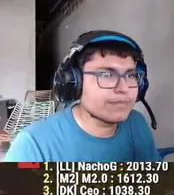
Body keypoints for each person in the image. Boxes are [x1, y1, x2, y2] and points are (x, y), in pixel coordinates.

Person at [3, 31, 160, 163]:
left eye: (131, 75)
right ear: (73, 82)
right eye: (106, 75)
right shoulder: (33, 146)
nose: (123, 88)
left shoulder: (137, 123)